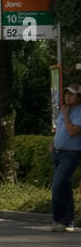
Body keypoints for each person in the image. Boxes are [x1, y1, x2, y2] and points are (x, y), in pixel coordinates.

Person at [50, 84, 81, 232]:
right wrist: (53, 143)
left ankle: (58, 219)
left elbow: (73, 131)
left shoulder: (78, 112)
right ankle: (68, 221)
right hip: (58, 153)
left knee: (57, 186)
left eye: (72, 94)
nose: (68, 97)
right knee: (64, 187)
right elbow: (59, 129)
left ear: (78, 97)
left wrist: (66, 115)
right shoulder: (64, 110)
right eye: (66, 94)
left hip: (71, 153)